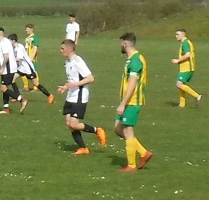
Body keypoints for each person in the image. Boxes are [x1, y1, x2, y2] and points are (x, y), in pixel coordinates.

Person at [58, 39, 107, 155]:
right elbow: (72, 79)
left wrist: (74, 84)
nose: (61, 51)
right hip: (71, 96)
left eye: (62, 49)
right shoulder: (68, 62)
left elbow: (90, 78)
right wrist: (65, 87)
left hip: (79, 97)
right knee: (69, 124)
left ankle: (97, 130)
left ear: (70, 49)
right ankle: (83, 148)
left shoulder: (78, 61)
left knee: (74, 124)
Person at [115, 32, 152, 172]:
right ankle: (143, 152)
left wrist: (123, 103)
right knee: (118, 128)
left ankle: (131, 165)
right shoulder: (131, 59)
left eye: (121, 43)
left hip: (132, 101)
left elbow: (132, 83)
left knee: (127, 130)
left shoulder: (136, 60)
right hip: (128, 101)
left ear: (125, 44)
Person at [0, 27, 27, 114]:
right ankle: (6, 108)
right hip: (9, 69)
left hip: (8, 69)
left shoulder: (4, 43)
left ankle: (21, 99)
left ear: (0, 33)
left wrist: (2, 68)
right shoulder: (5, 41)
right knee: (5, 88)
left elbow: (6, 57)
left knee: (3, 88)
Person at [11, 33, 52, 103]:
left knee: (35, 83)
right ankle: (17, 96)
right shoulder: (13, 48)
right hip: (21, 68)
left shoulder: (19, 47)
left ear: (13, 40)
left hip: (27, 68)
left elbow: (19, 58)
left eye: (9, 40)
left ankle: (50, 96)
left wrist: (10, 60)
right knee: (12, 79)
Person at [170, 29, 202, 107]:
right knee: (181, 85)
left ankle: (197, 96)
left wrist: (177, 60)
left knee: (179, 84)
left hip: (187, 68)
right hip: (185, 67)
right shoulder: (186, 42)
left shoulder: (185, 43)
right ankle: (182, 104)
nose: (176, 36)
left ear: (182, 35)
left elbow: (188, 54)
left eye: (177, 34)